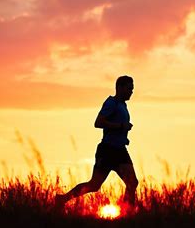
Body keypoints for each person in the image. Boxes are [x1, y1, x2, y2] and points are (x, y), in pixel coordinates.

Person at [55, 75, 138, 211]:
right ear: (120, 88)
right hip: (108, 150)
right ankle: (62, 199)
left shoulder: (123, 105)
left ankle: (127, 212)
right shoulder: (111, 103)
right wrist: (120, 126)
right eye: (129, 89)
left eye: (132, 89)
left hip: (120, 150)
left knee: (132, 183)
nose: (131, 92)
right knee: (94, 185)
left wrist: (123, 130)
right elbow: (98, 122)